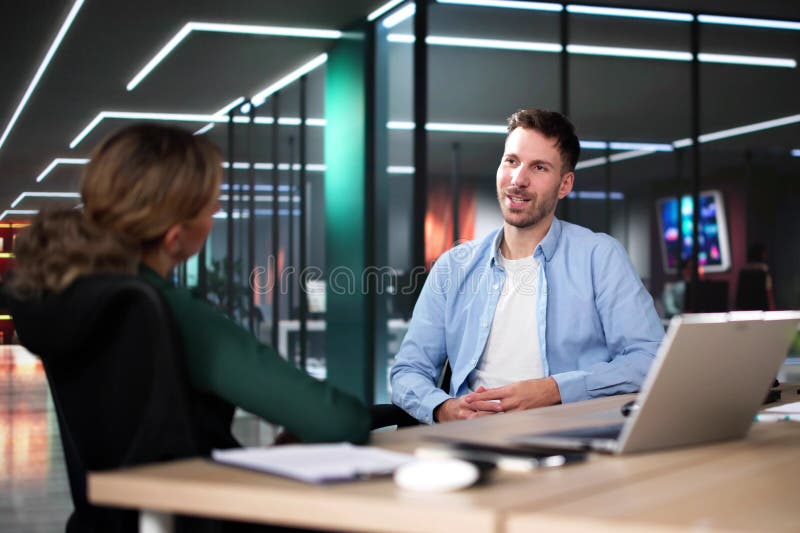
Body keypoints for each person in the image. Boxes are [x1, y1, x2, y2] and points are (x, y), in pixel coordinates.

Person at [9, 124, 371, 443]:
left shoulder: (69, 292)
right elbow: (338, 421)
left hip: (120, 498)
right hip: (197, 496)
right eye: (210, 205)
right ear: (175, 236)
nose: (217, 212)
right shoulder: (162, 310)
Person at [390, 108, 665, 424]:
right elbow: (408, 370)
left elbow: (650, 359)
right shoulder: (454, 267)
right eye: (511, 161)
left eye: (539, 167)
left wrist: (553, 390)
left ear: (564, 184)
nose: (518, 180)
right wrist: (444, 409)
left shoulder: (600, 257)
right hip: (471, 435)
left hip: (566, 434)